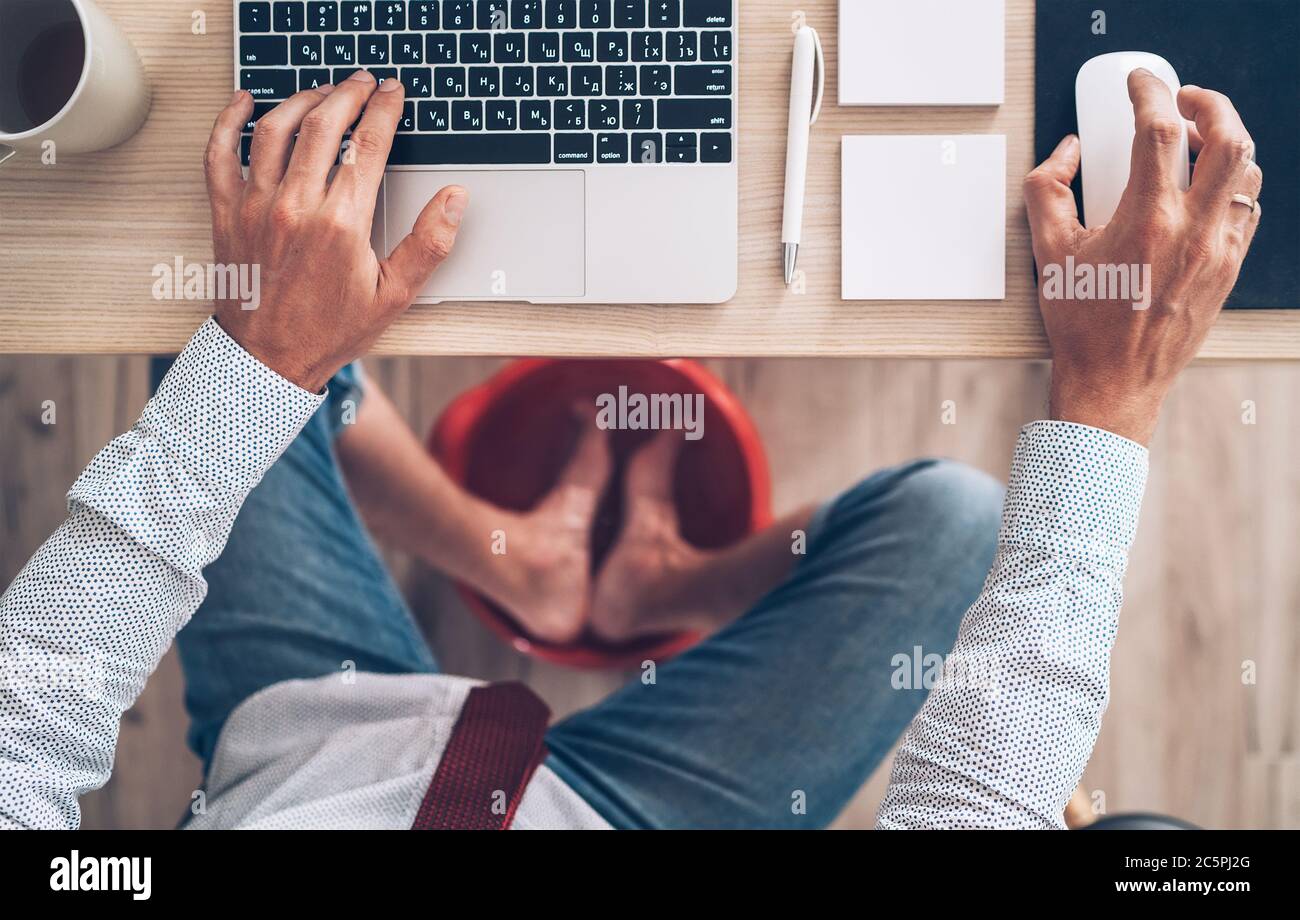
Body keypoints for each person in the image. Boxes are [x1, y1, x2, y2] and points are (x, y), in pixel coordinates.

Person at [0, 69, 1261, 829]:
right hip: (629, 815)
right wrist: (1105, 403)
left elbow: (24, 720)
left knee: (216, 331)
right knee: (954, 524)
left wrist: (264, 369)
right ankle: (645, 586)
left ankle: (530, 565)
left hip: (312, 744)